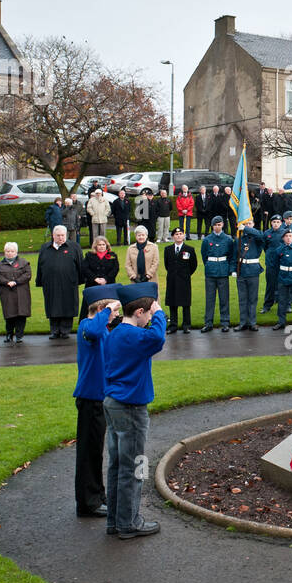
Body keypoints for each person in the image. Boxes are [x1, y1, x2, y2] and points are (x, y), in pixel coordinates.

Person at [103, 282, 167, 539]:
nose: (151, 318)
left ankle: (115, 521)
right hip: (130, 407)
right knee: (134, 466)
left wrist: (155, 312)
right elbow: (158, 337)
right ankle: (129, 523)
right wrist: (160, 311)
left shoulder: (117, 333)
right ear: (139, 312)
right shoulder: (134, 336)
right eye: (148, 313)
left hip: (112, 402)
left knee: (117, 464)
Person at [75, 284, 120, 520]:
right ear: (102, 307)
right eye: (113, 309)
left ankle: (96, 495)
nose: (116, 313)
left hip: (99, 397)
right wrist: (106, 312)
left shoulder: (103, 328)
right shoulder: (88, 326)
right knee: (88, 453)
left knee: (96, 452)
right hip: (89, 398)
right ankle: (87, 503)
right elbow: (92, 330)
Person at [38, 225, 83, 338]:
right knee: (52, 305)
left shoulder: (74, 247)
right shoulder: (45, 248)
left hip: (69, 282)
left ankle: (65, 330)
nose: (61, 238)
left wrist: (80, 280)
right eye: (58, 235)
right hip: (50, 283)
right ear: (53, 236)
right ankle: (54, 330)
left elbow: (80, 265)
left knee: (68, 305)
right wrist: (40, 280)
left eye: (63, 235)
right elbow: (40, 266)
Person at [200, 215, 236, 331]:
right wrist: (209, 266)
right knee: (210, 299)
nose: (217, 227)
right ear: (212, 226)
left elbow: (231, 256)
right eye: (215, 225)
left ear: (223, 225)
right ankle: (208, 323)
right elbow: (204, 256)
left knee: (224, 298)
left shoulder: (228, 239)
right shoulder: (207, 240)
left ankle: (225, 322)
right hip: (210, 272)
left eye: (219, 224)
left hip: (223, 271)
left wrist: (229, 269)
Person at [0, 241, 32, 344]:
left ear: (16, 252)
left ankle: (19, 335)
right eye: (7, 251)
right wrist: (7, 282)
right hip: (7, 293)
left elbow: (28, 275)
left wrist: (16, 281)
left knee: (21, 314)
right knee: (9, 315)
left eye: (12, 251)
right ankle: (9, 334)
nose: (10, 253)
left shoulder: (24, 263)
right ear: (4, 252)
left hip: (21, 292)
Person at [164, 226, 198, 332]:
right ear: (173, 237)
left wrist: (186, 274)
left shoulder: (189, 249)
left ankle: (186, 325)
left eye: (180, 234)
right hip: (172, 280)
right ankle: (173, 325)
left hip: (184, 280)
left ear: (183, 236)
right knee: (172, 303)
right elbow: (167, 265)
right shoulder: (168, 249)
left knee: (185, 303)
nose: (178, 236)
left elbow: (193, 265)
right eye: (176, 234)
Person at [235, 218, 265, 331]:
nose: (247, 225)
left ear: (253, 224)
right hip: (241, 271)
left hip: (253, 271)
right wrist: (234, 270)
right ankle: (243, 323)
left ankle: (252, 322)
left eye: (250, 223)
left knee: (252, 299)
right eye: (245, 224)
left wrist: (246, 228)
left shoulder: (257, 238)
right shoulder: (239, 239)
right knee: (242, 299)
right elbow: (235, 256)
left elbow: (261, 236)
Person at [261, 213, 286, 312]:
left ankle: (285, 304)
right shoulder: (267, 233)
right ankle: (267, 305)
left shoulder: (285, 233)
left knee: (283, 284)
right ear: (271, 223)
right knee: (270, 285)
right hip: (271, 263)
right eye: (274, 222)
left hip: (282, 262)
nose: (276, 224)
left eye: (278, 222)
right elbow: (265, 247)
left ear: (281, 223)